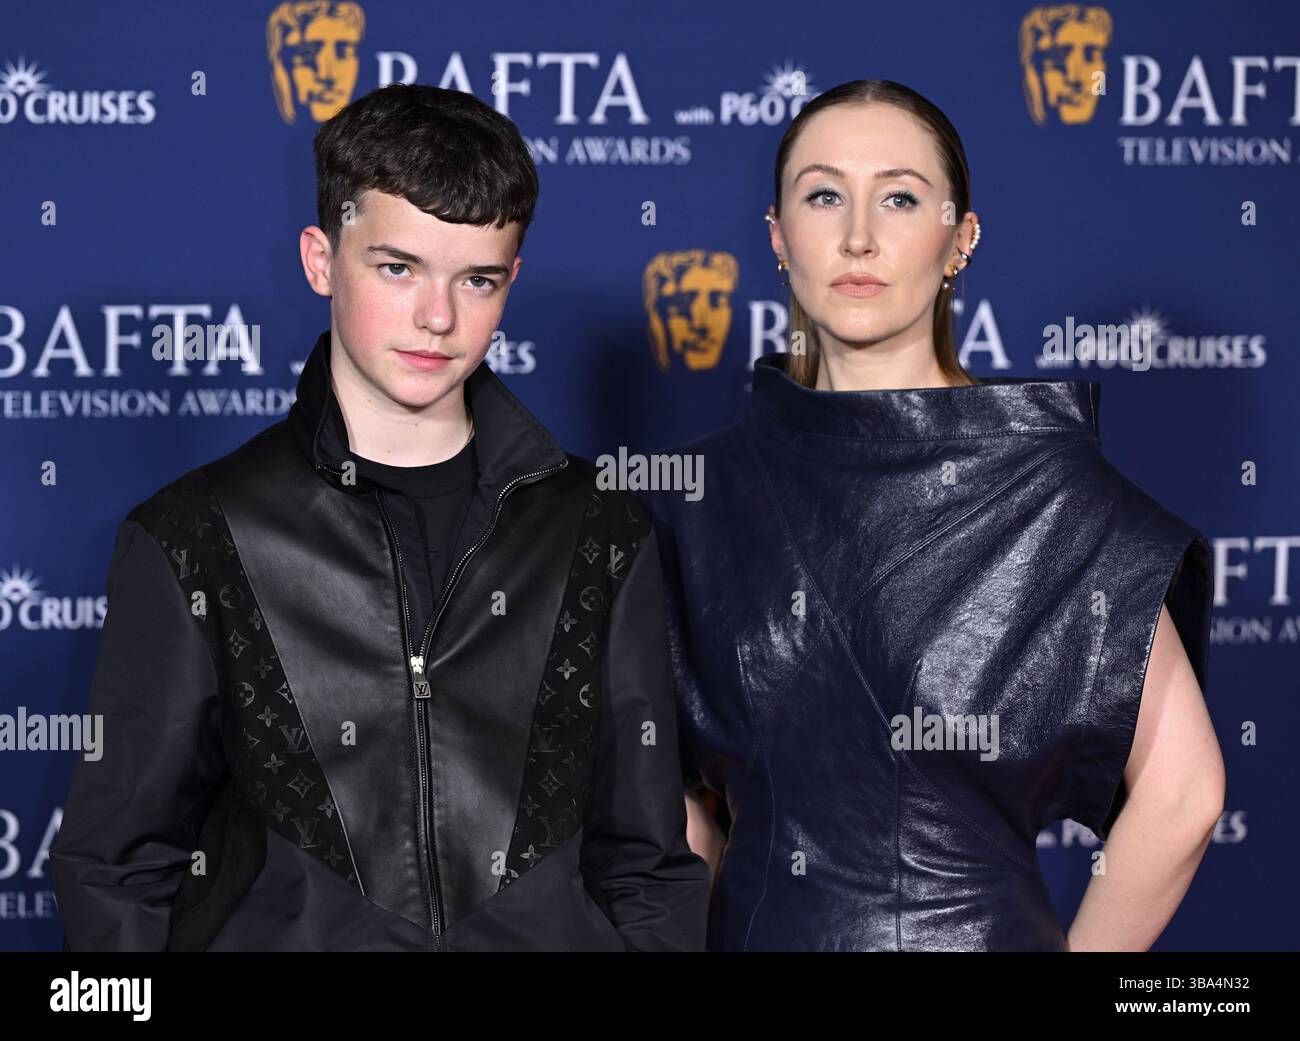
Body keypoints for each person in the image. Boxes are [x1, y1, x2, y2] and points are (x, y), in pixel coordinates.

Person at [50, 84, 709, 952]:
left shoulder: (599, 530)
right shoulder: (194, 536)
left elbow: (647, 861)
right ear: (322, 259)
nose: (439, 318)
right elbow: (113, 871)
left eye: (477, 279)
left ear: (512, 280)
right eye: (397, 268)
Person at [647, 79, 1224, 952]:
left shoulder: (1049, 487)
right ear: (778, 236)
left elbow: (1184, 791)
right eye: (824, 194)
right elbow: (681, 807)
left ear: (960, 241)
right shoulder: (697, 495)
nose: (859, 236)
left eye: (901, 198)